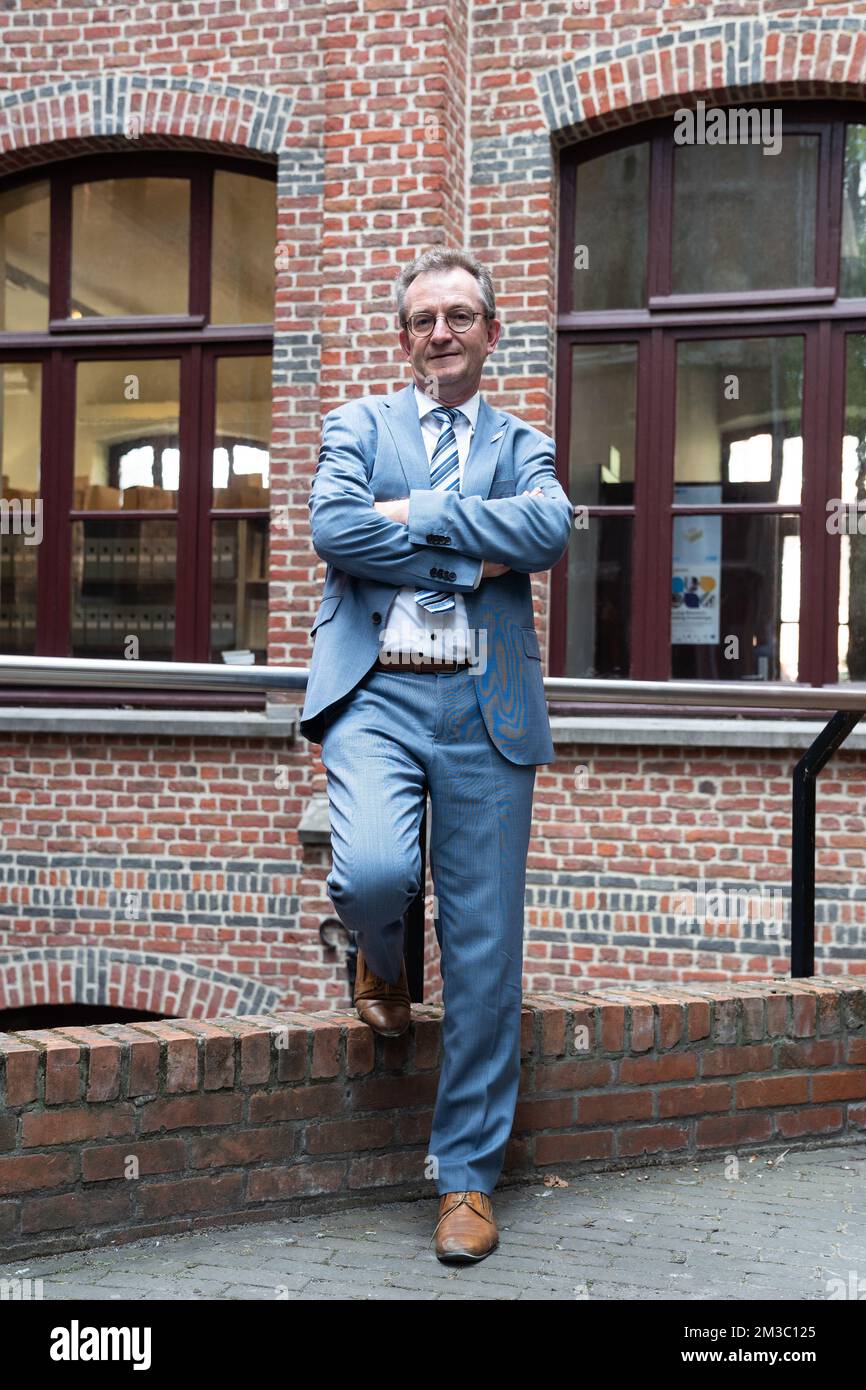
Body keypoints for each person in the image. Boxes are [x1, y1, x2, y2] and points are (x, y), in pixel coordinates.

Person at [299, 247, 574, 1263]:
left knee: (484, 953)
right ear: (402, 336)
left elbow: (547, 530)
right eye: (425, 318)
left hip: (483, 708)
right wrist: (474, 547)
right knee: (370, 871)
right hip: (376, 695)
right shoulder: (354, 427)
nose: (443, 331)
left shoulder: (523, 442)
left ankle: (464, 1177)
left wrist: (411, 517)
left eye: (462, 315)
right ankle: (380, 960)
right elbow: (333, 529)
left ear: (490, 334)